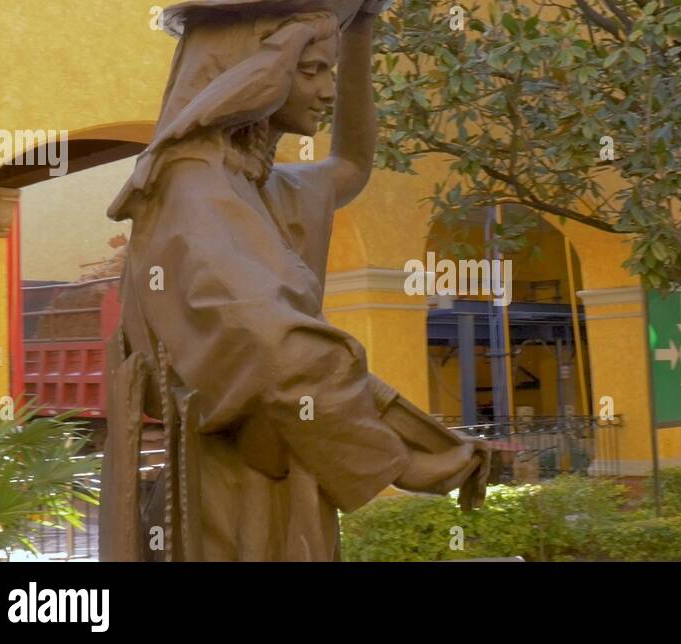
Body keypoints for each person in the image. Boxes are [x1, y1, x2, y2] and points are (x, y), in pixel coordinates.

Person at [99, 0, 489, 562]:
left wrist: (360, 30)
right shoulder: (191, 192)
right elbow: (276, 355)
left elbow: (351, 165)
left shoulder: (257, 186)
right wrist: (402, 455)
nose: (327, 91)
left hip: (286, 486)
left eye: (328, 71)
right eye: (310, 71)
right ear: (252, 72)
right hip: (236, 501)